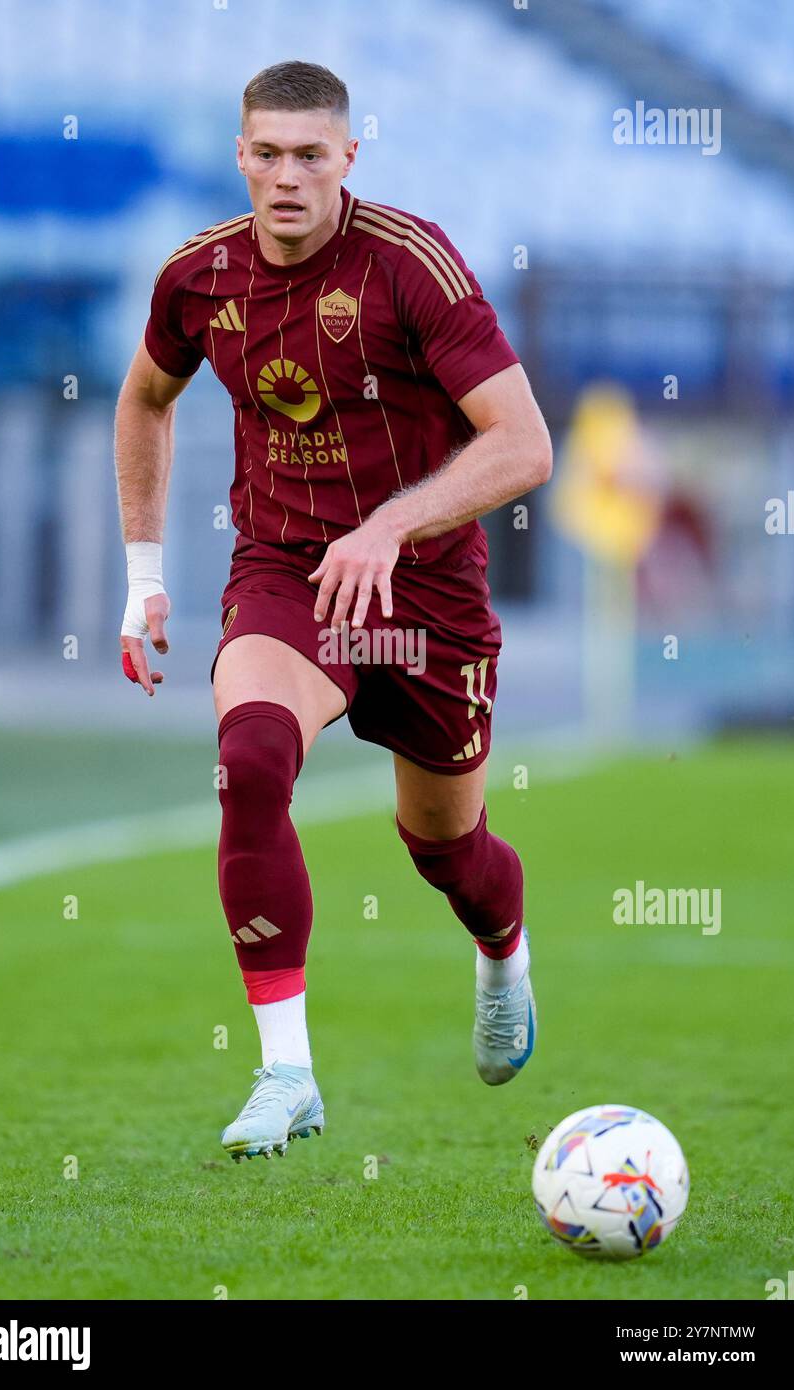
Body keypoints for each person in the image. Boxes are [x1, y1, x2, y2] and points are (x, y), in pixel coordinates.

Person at [115, 60, 553, 1162]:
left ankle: (501, 950)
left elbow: (523, 442)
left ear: (348, 158)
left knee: (444, 851)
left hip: (425, 593)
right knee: (251, 758)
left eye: (310, 155)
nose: (286, 177)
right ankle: (286, 1072)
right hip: (285, 575)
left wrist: (389, 527)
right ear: (239, 157)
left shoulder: (411, 263)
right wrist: (142, 575)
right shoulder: (197, 278)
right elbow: (144, 400)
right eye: (265, 153)